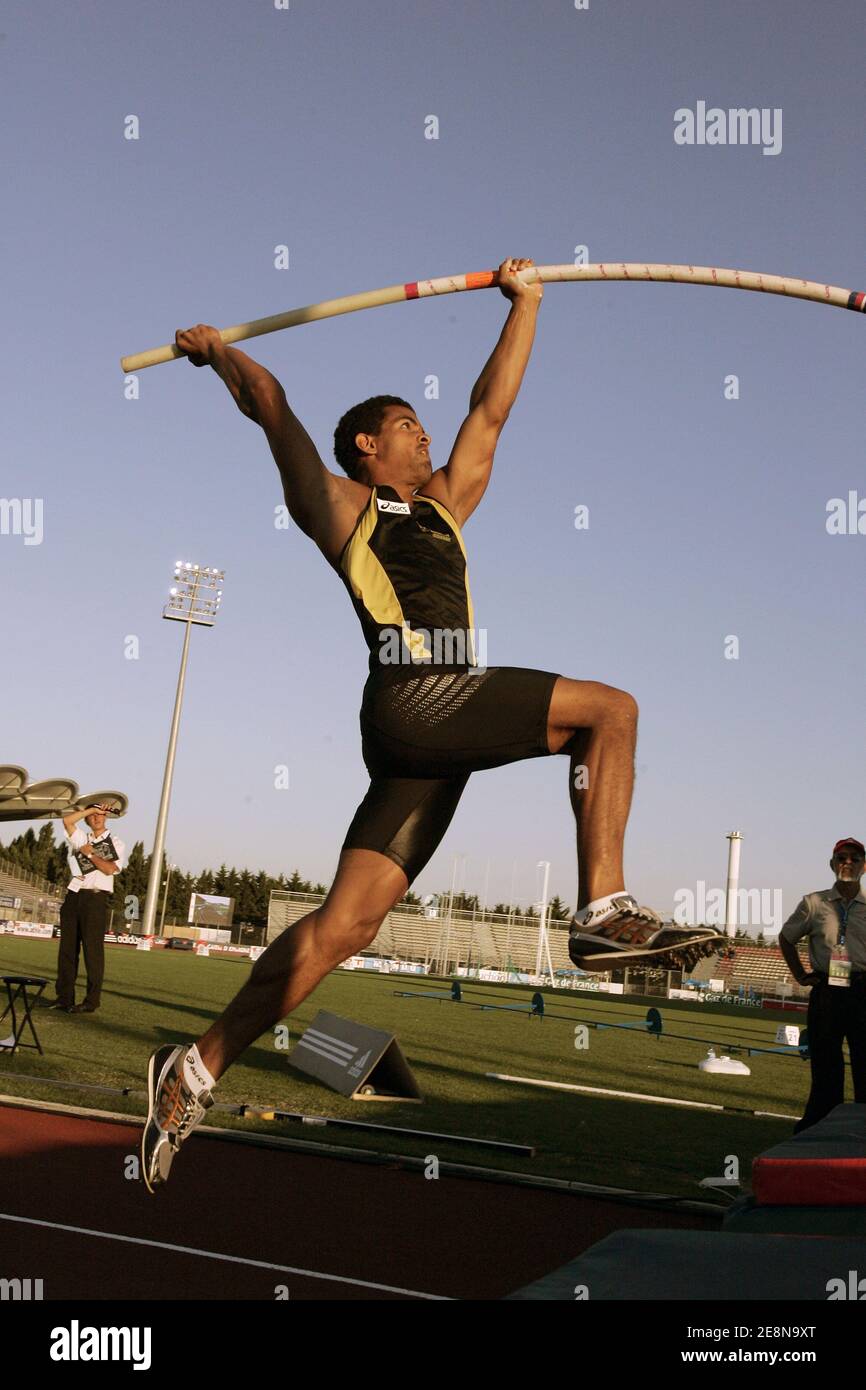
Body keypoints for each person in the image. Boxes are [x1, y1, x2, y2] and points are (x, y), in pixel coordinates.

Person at [141, 256, 722, 1191]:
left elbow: (491, 411)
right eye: (406, 426)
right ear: (367, 447)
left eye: (420, 426)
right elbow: (275, 404)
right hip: (416, 692)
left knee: (346, 927)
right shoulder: (339, 506)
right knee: (611, 712)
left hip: (431, 741)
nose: (423, 436)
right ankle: (604, 907)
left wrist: (526, 305)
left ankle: (196, 1067)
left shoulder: (447, 507)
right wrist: (219, 357)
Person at [778, 836, 866, 1132]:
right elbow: (786, 938)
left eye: (855, 858)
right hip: (827, 991)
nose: (848, 863)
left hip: (863, 991)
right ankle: (818, 1131)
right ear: (832, 864)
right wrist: (801, 975)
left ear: (864, 866)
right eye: (842, 858)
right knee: (826, 1066)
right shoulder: (814, 903)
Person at [53, 803, 126, 1014]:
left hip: (95, 898)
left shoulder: (116, 842)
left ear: (106, 818)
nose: (97, 818)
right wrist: (90, 808)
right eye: (93, 816)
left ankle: (91, 1001)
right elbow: (67, 821)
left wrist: (91, 854)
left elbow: (111, 869)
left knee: (93, 953)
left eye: (101, 815)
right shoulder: (82, 838)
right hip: (74, 896)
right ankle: (64, 998)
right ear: (87, 819)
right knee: (67, 950)